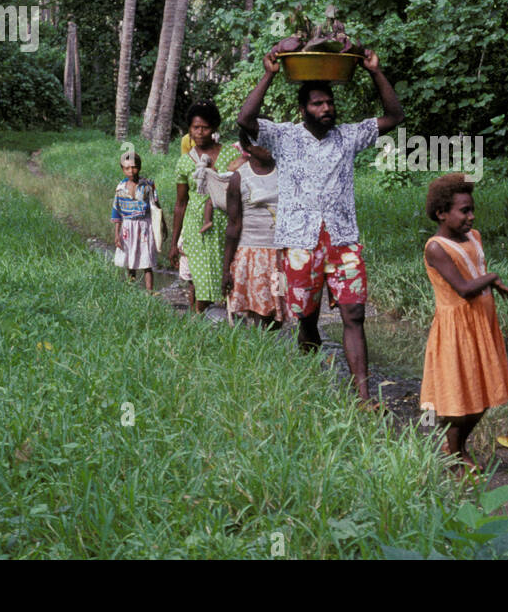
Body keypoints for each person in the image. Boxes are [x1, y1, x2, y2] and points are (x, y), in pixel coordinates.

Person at [237, 45, 404, 404]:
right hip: (300, 241)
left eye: (329, 102)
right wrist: (268, 73)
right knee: (307, 317)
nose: (326, 108)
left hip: (343, 240)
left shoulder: (348, 135)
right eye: (317, 103)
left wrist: (375, 70)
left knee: (354, 313)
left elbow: (394, 116)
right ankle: (310, 386)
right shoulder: (284, 136)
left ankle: (363, 395)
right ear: (303, 110)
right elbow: (245, 120)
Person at [420, 173, 508, 474]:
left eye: (472, 209)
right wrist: (493, 277)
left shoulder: (474, 238)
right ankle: (457, 451)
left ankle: (455, 448)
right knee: (462, 396)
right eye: (464, 211)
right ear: (441, 213)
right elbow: (463, 288)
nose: (471, 217)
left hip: (481, 323)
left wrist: (491, 282)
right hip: (456, 329)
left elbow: (477, 271)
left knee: (485, 389)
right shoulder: (436, 248)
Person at [169, 102, 245, 315]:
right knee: (199, 280)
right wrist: (174, 243)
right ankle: (198, 325)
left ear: (214, 128)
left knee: (229, 276)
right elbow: (181, 203)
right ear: (189, 129)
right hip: (196, 229)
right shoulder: (185, 162)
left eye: (205, 127)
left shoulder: (230, 155)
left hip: (227, 226)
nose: (200, 132)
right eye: (195, 127)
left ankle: (230, 328)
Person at [215, 132, 288, 327]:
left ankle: (271, 352)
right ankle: (255, 352)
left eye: (270, 141)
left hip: (279, 258)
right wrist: (226, 269)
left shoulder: (286, 172)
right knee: (256, 311)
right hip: (251, 257)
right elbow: (233, 226)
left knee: (277, 311)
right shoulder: (239, 178)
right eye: (260, 142)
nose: (267, 147)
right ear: (248, 146)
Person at [112, 151, 163, 290]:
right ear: (122, 169)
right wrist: (117, 233)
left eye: (134, 167)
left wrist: (161, 226)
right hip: (128, 227)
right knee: (130, 260)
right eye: (127, 168)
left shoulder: (148, 185)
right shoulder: (120, 188)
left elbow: (156, 206)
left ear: (139, 167)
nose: (131, 171)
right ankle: (131, 288)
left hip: (144, 226)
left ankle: (149, 292)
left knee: (147, 261)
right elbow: (117, 212)